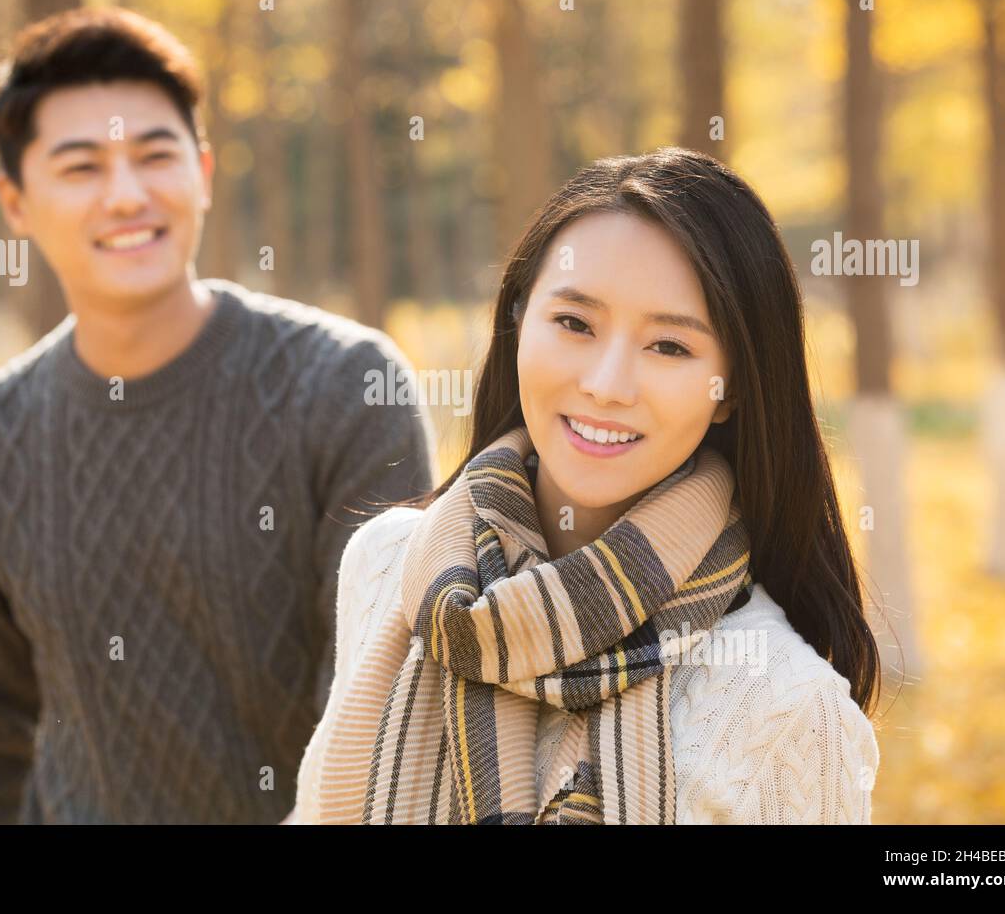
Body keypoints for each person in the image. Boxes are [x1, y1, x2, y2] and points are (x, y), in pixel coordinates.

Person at [0, 7, 436, 824]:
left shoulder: (346, 386)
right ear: (15, 202)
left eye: (154, 155)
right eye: (81, 166)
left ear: (201, 169)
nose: (127, 196)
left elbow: (378, 717)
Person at [293, 148, 881, 824]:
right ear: (518, 324)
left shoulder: (782, 706)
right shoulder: (387, 566)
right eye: (574, 324)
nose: (605, 384)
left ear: (732, 390)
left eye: (669, 347)